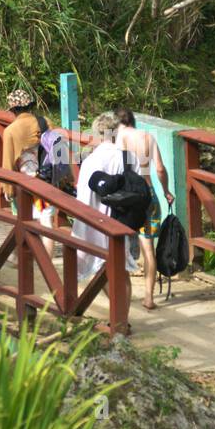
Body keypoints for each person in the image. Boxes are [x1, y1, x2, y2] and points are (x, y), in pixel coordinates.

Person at [113, 106, 175, 310]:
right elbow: (159, 168)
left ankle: (120, 293)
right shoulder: (148, 137)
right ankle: (148, 297)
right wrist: (166, 190)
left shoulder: (118, 138)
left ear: (119, 123)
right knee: (148, 249)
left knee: (118, 245)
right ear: (133, 121)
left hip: (125, 198)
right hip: (148, 194)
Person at [73, 113, 134, 311]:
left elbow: (83, 196)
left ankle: (118, 318)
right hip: (122, 219)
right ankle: (123, 318)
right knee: (121, 270)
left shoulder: (92, 160)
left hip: (97, 221)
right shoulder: (127, 157)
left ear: (97, 133)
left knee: (101, 270)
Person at [0, 88, 56, 256]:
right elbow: (56, 148)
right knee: (46, 219)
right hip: (45, 179)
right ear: (30, 106)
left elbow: (8, 162)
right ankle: (48, 260)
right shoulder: (45, 122)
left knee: (21, 219)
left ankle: (19, 258)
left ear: (13, 110)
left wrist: (7, 189)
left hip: (23, 183)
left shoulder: (11, 130)